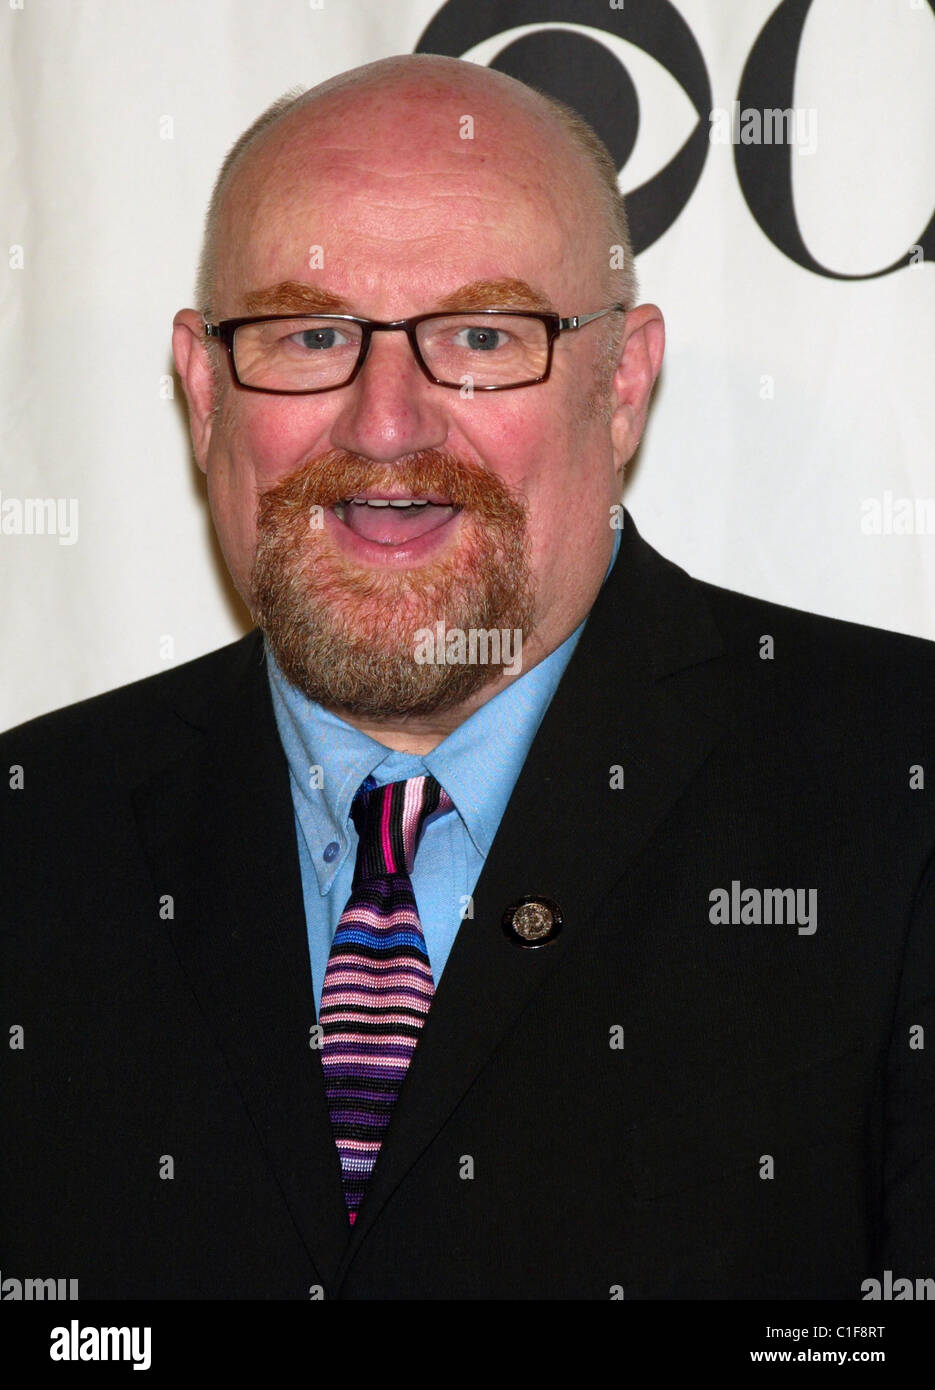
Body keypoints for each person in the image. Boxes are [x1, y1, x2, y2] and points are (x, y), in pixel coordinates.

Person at [2, 53, 933, 1301]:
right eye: (311, 334)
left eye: (484, 336)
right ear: (203, 388)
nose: (386, 423)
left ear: (622, 386)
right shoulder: (32, 834)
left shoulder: (895, 793)